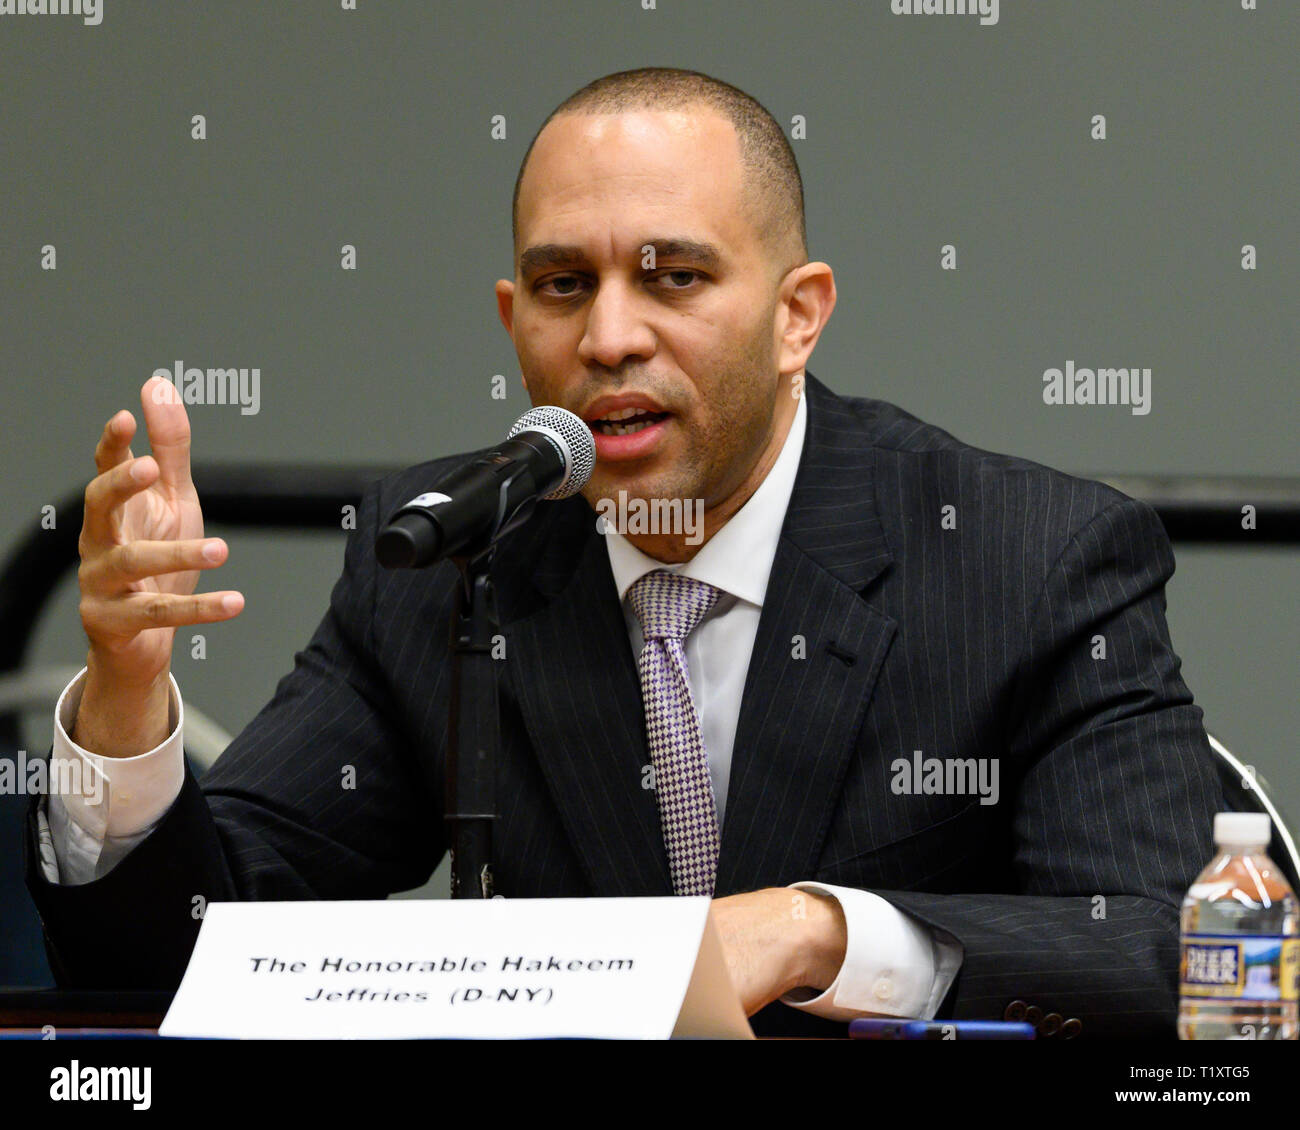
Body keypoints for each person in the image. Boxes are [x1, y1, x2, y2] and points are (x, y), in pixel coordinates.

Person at [26, 67, 1223, 1038]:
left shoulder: (1029, 557)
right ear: (513, 320)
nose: (607, 336)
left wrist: (824, 931)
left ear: (796, 312)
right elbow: (182, 958)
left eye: (675, 276)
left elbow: (1176, 955)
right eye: (562, 285)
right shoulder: (449, 556)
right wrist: (129, 700)